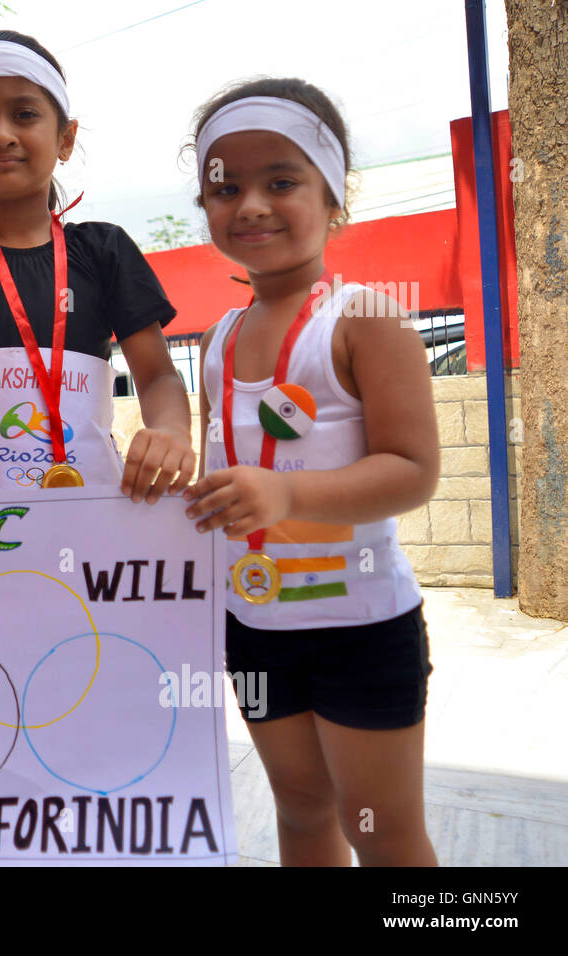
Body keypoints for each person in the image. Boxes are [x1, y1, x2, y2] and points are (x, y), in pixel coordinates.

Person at [183, 77, 440, 866]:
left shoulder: (367, 318)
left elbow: (413, 471)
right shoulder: (218, 338)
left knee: (382, 829)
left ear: (336, 196)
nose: (251, 204)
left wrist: (287, 491)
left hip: (360, 629)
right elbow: (220, 474)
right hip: (255, 628)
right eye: (226, 188)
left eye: (281, 181)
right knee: (299, 811)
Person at [0, 29, 194, 507]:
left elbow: (157, 378)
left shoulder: (104, 250)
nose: (1, 133)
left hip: (100, 514)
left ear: (66, 138)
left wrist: (171, 432)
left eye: (24, 114)